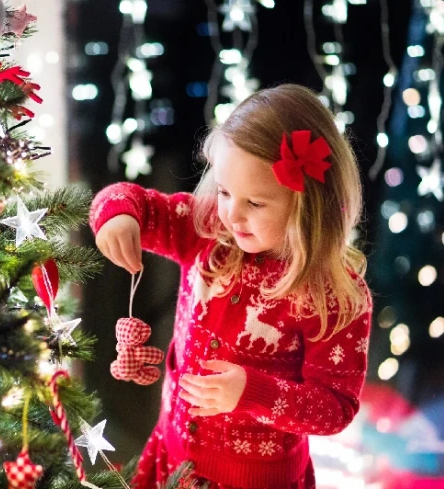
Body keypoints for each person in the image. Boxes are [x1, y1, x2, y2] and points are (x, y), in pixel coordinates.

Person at [89, 84, 373, 489]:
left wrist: (251, 392)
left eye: (255, 203)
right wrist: (119, 216)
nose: (232, 214)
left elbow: (335, 408)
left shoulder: (334, 295)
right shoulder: (208, 231)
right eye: (224, 191)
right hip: (172, 458)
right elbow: (130, 199)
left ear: (309, 203)